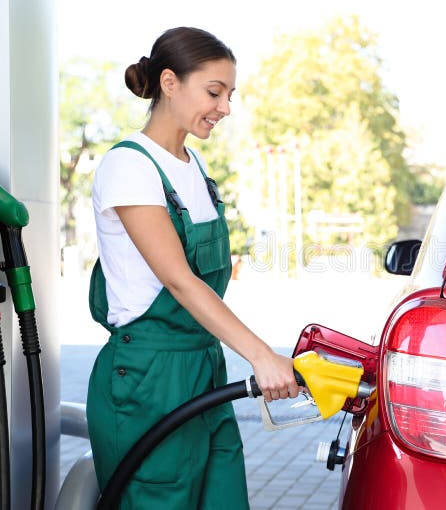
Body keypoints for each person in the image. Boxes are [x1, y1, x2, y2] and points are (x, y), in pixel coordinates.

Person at [86, 27, 299, 509]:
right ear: (169, 83)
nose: (225, 107)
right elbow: (180, 282)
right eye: (214, 92)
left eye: (229, 95)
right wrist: (262, 356)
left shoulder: (193, 166)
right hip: (148, 376)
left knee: (222, 498)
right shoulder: (129, 166)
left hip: (202, 364)